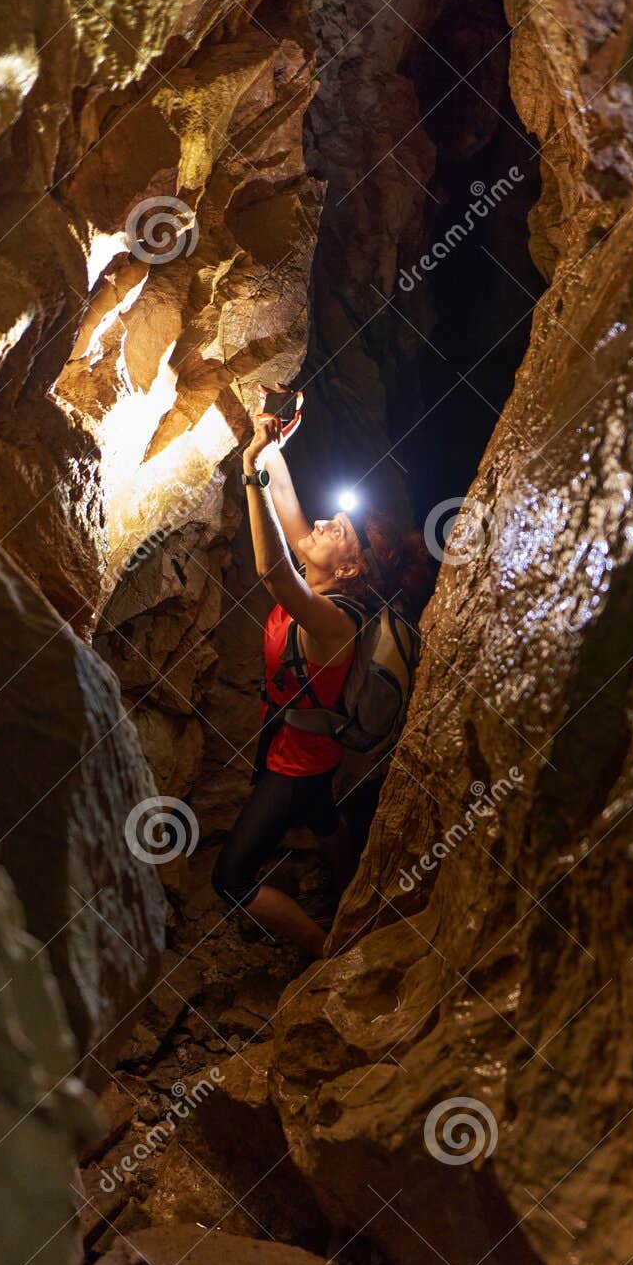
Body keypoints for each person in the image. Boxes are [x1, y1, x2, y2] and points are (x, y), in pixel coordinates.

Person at [212, 386, 432, 959]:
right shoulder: (327, 582)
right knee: (323, 817)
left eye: (341, 531)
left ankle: (325, 953)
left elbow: (272, 570)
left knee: (230, 880)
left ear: (353, 566)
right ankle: (354, 894)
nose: (329, 521)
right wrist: (272, 444)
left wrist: (246, 471)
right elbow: (283, 503)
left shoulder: (333, 621)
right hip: (308, 754)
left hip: (295, 766)